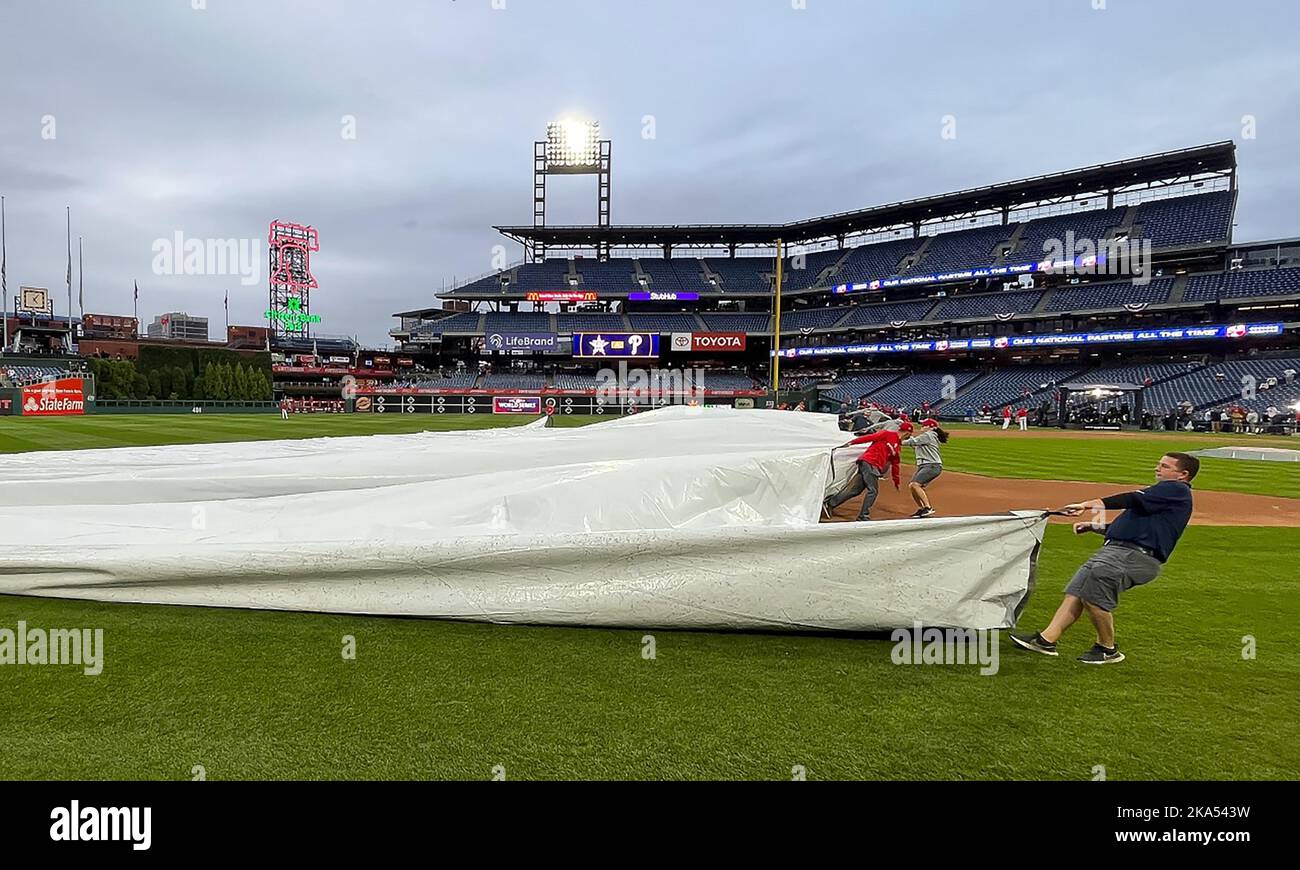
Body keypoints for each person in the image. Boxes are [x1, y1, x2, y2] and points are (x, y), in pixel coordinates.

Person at [1010, 452, 1199, 665]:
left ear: (1183, 475)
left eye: (1164, 466)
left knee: (1093, 597)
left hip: (1132, 556)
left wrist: (1087, 505)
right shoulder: (1163, 496)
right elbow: (1136, 528)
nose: (1157, 468)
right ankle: (1046, 640)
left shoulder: (1176, 490)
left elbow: (1132, 499)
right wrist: (1094, 526)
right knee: (1077, 591)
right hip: (1120, 551)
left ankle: (1107, 648)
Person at [823, 425, 903, 522]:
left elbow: (895, 464)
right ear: (908, 432)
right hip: (869, 462)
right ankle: (863, 515)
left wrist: (896, 481)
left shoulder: (898, 447)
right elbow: (869, 438)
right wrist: (852, 442)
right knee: (873, 491)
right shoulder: (888, 434)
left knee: (856, 490)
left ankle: (830, 503)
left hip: (873, 466)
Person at [902, 418, 948, 518]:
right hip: (925, 465)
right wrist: (907, 438)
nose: (922, 427)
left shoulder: (928, 435)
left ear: (931, 427)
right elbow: (915, 445)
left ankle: (928, 507)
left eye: (924, 425)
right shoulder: (927, 436)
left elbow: (912, 442)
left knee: (915, 485)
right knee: (912, 486)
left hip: (931, 465)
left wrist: (898, 441)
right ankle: (922, 508)